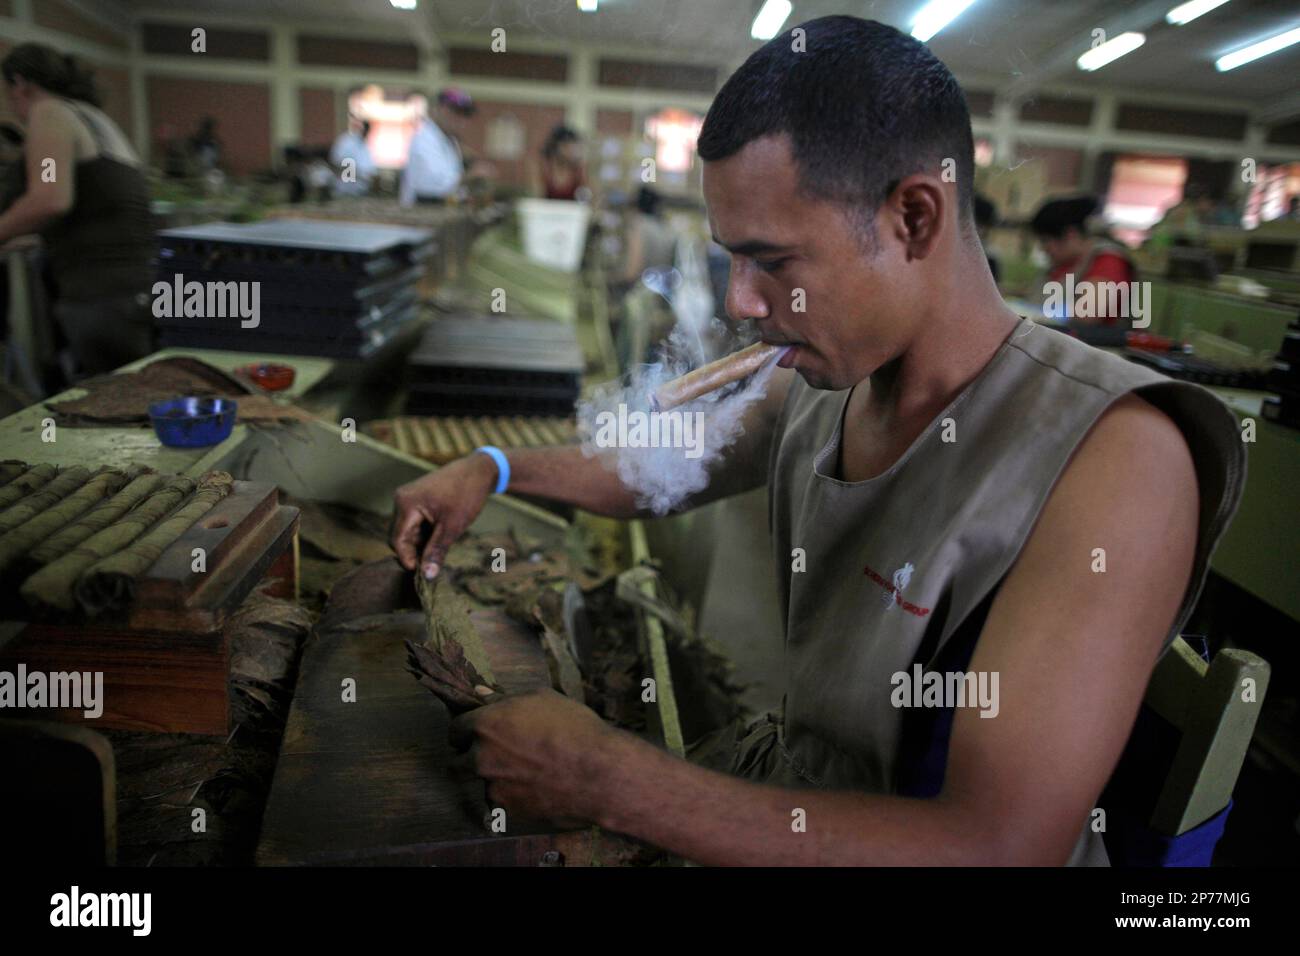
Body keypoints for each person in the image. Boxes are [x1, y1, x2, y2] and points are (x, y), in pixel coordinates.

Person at [390, 16, 1243, 866]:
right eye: (732, 259)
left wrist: (609, 778)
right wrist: (493, 468)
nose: (742, 303)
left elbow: (999, 846)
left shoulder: (1118, 456)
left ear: (913, 216)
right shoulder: (821, 381)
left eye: (774, 261)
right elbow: (647, 475)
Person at [0, 44, 154, 377]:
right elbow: (101, 212)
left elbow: (50, 196)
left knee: (111, 410)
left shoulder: (49, 112)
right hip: (139, 289)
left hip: (100, 298)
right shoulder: (98, 121)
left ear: (20, 84)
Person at [1030, 194, 1138, 326]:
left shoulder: (1108, 262)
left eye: (1045, 241)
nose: (1044, 249)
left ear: (1071, 235)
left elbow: (1088, 313)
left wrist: (1037, 312)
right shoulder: (1065, 264)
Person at [400, 88, 486, 206]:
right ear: (439, 109)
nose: (460, 120)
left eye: (465, 114)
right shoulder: (424, 139)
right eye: (455, 112)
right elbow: (432, 186)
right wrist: (471, 176)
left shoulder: (449, 140)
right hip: (420, 213)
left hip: (441, 211)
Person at [533, 124, 586, 201]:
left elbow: (588, 199)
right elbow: (537, 197)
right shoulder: (544, 168)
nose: (571, 151)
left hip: (572, 211)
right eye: (566, 147)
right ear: (555, 147)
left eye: (573, 148)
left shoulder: (579, 170)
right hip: (546, 210)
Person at [329, 116, 376, 198]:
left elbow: (370, 169)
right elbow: (336, 162)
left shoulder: (365, 145)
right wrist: (355, 173)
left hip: (362, 190)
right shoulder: (346, 142)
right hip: (345, 189)